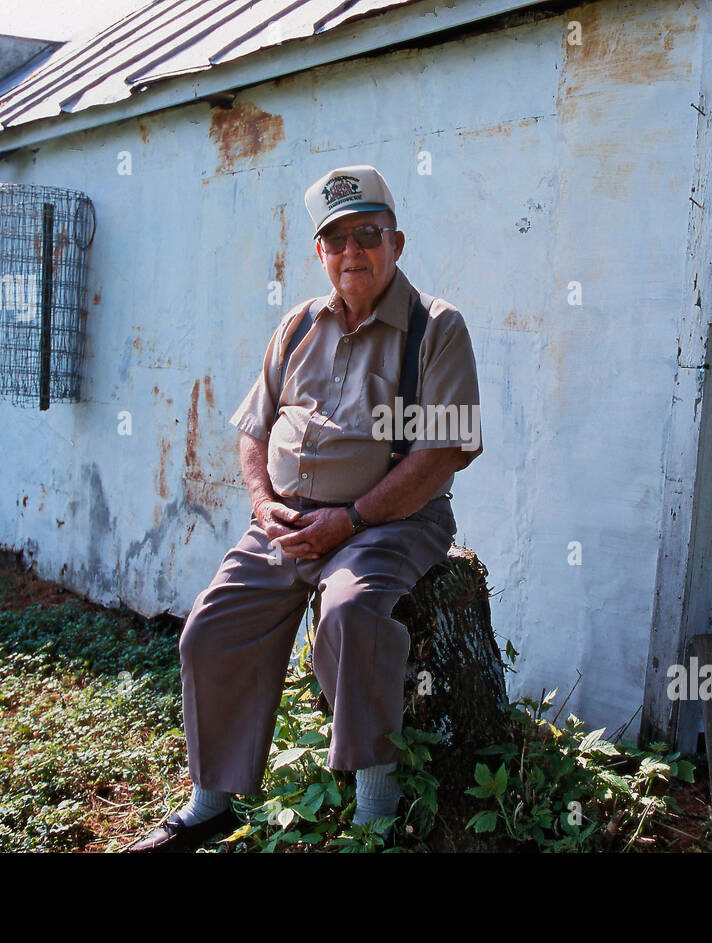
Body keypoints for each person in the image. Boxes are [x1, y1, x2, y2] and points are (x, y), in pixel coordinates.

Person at [124, 164, 483, 852]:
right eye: (337, 239)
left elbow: (442, 453)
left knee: (352, 613)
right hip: (287, 520)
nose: (354, 252)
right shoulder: (296, 325)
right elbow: (252, 429)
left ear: (397, 242)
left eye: (369, 235)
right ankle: (211, 803)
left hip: (390, 521)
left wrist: (349, 521)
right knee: (210, 629)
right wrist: (262, 504)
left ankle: (375, 809)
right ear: (320, 252)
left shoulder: (438, 326)